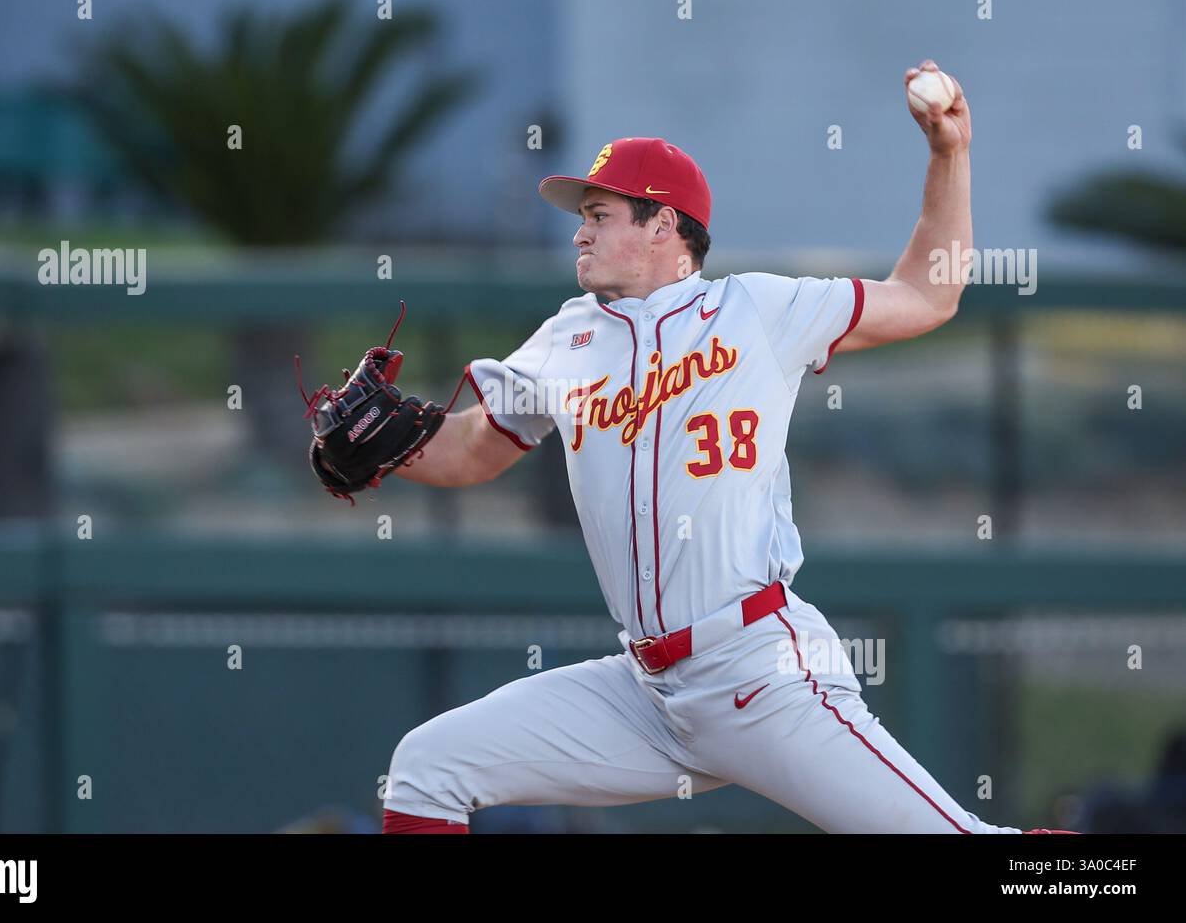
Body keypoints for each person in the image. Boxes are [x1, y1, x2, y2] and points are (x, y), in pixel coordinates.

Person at [380, 60, 1069, 834]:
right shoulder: (566, 337)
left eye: (601, 213)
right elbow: (473, 451)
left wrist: (950, 157)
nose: (580, 228)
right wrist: (380, 447)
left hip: (759, 674)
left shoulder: (760, 308)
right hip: (644, 692)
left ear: (663, 226)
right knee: (426, 769)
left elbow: (928, 295)